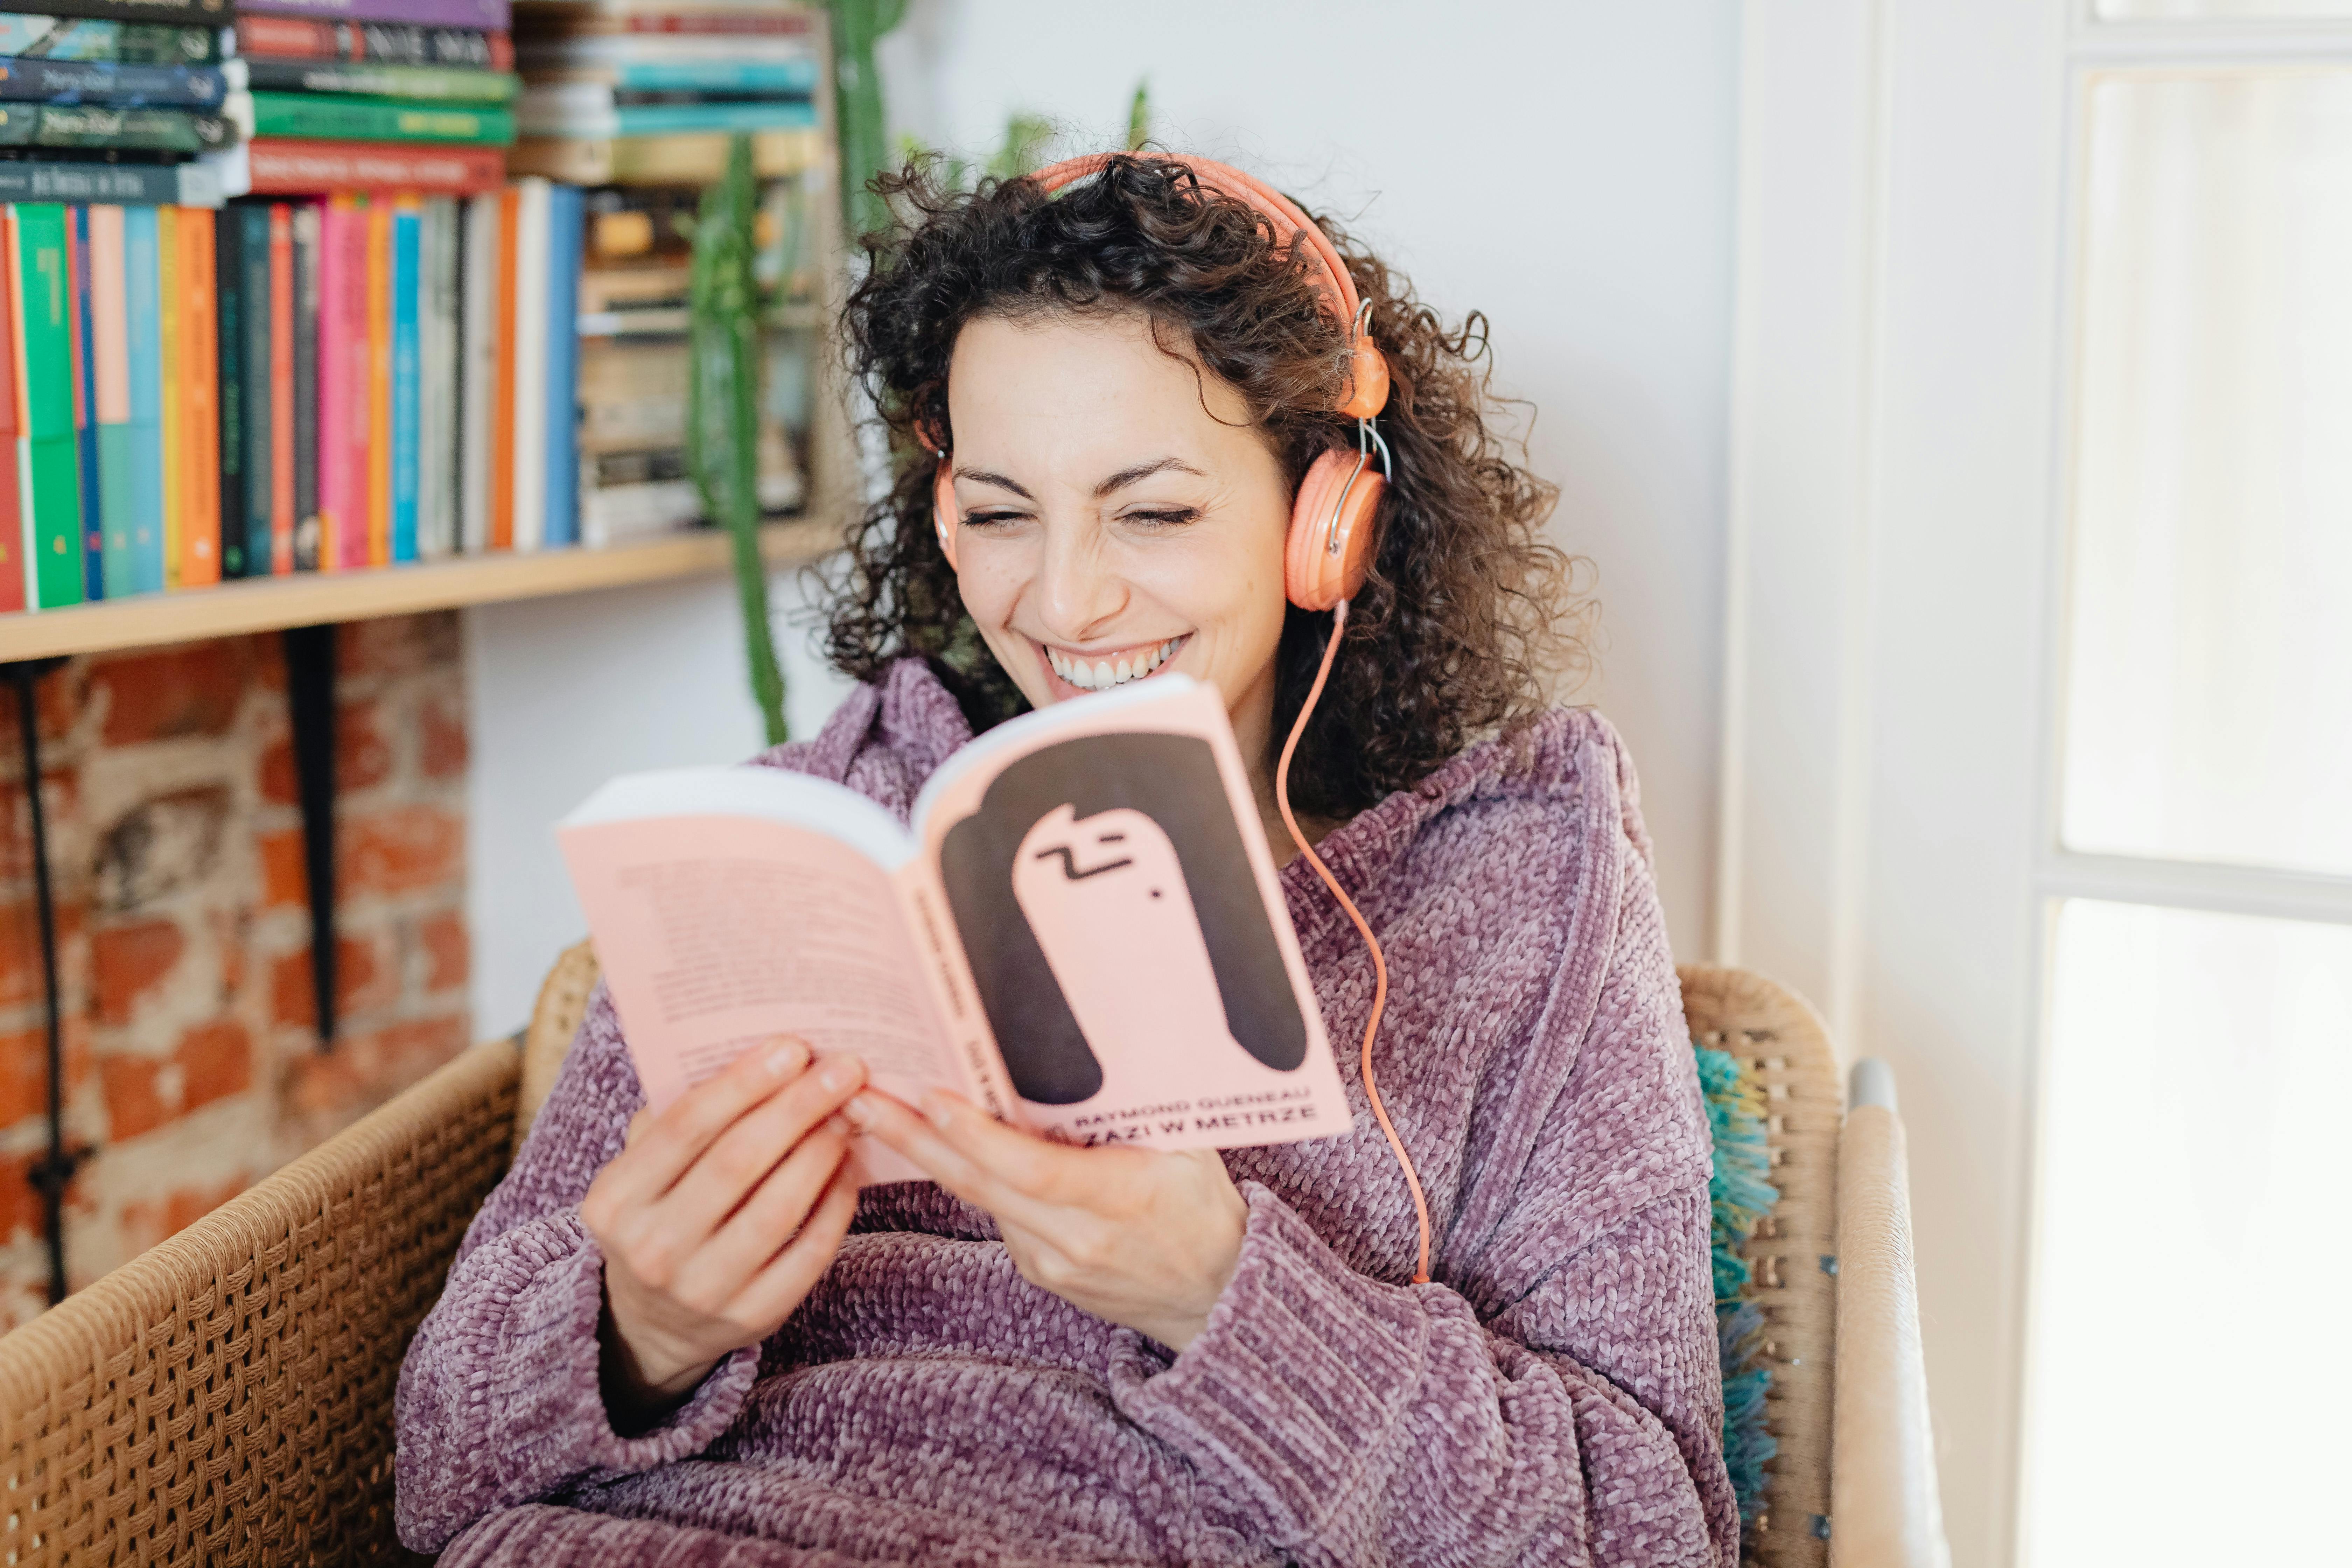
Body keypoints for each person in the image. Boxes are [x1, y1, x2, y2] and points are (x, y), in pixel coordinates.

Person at [396, 153, 1736, 1568]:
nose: (1066, 599)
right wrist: (633, 1334)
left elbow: (1646, 1535)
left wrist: (1224, 1291)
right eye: (1000, 510)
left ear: (1325, 526)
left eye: (1152, 511)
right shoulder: (804, 834)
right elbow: (435, 1475)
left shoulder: (1522, 895)